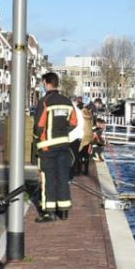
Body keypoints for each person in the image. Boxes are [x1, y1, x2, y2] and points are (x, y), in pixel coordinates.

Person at [31, 72, 77, 222]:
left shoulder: (45, 102)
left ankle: (49, 212)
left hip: (47, 147)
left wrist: (38, 141)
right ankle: (63, 211)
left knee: (48, 179)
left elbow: (39, 126)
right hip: (64, 145)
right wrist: (63, 132)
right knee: (63, 178)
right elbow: (74, 123)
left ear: (46, 82)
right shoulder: (67, 102)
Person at [67, 97, 86, 178]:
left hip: (73, 136)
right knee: (75, 155)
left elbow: (73, 123)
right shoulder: (78, 110)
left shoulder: (72, 109)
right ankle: (74, 173)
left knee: (72, 156)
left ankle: (71, 174)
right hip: (78, 136)